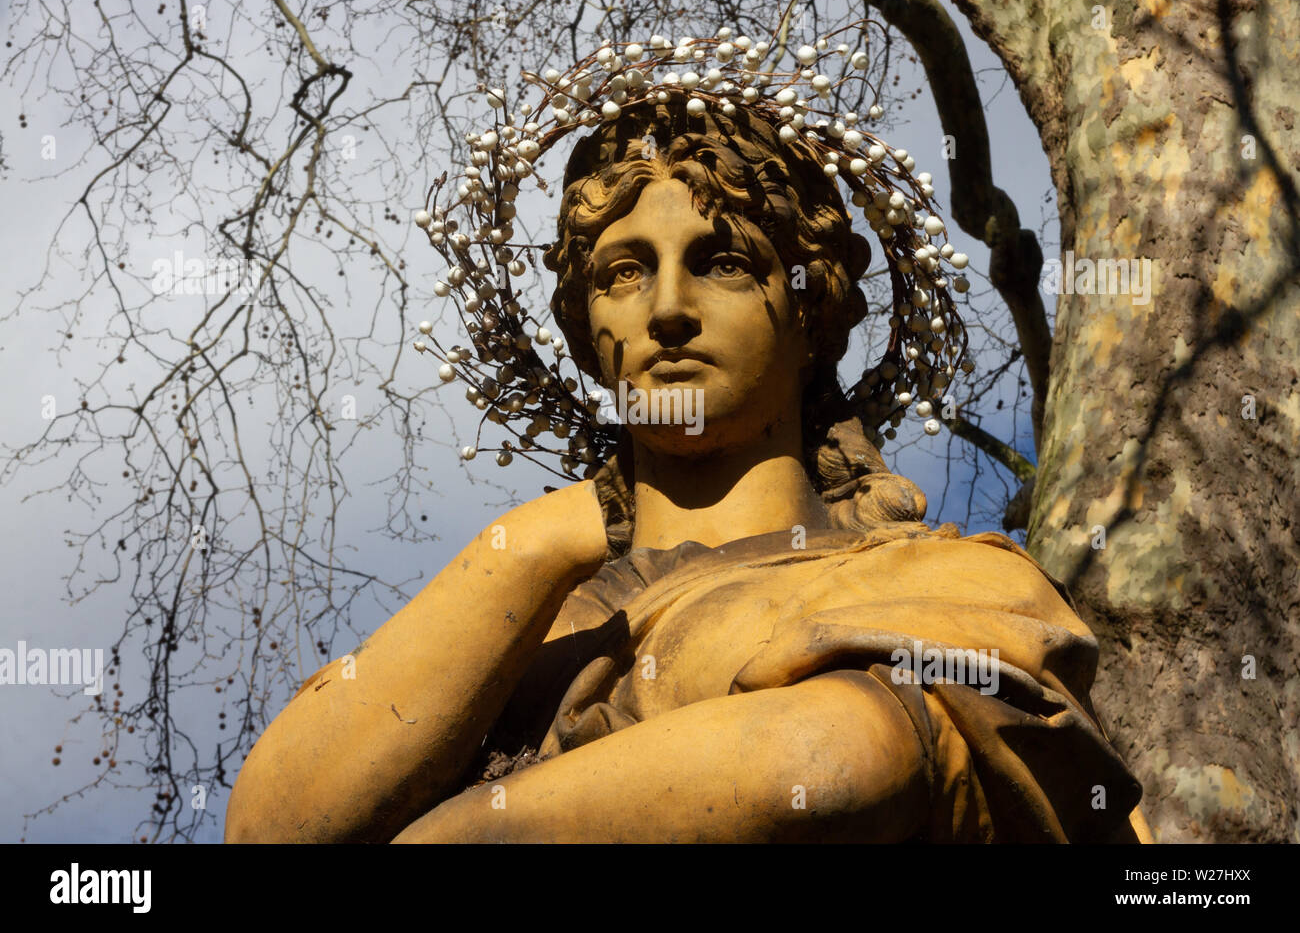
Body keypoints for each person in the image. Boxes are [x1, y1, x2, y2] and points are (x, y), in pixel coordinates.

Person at [224, 93, 1152, 843]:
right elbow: (273, 827)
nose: (668, 307)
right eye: (622, 273)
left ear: (811, 314)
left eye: (722, 262)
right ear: (590, 331)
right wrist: (540, 544)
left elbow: (837, 757)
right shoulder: (523, 627)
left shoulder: (944, 577)